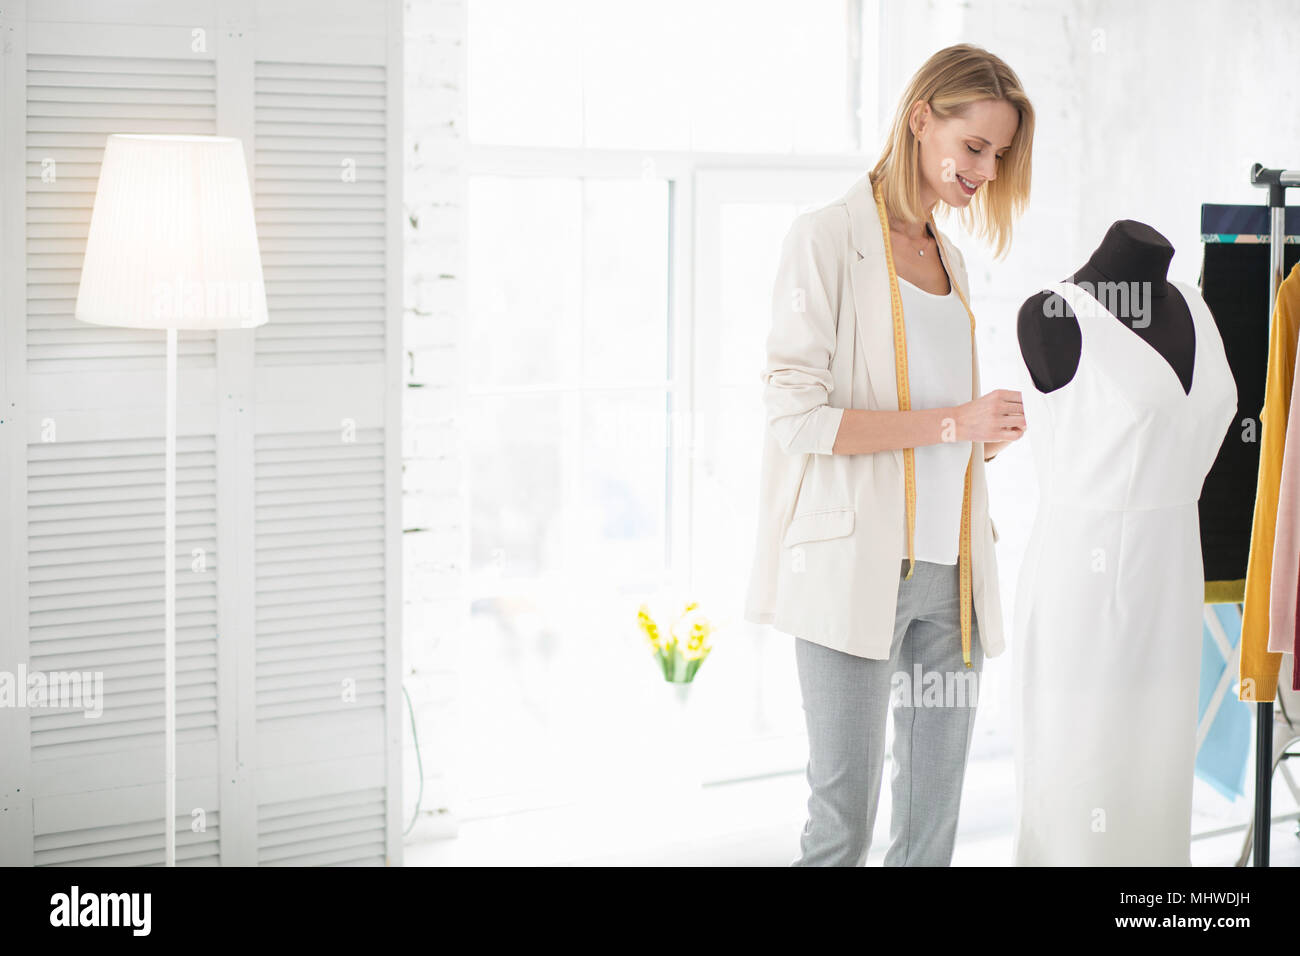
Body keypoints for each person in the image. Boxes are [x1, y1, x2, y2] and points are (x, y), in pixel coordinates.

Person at [743, 43, 1033, 866]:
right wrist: (954, 422)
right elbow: (796, 416)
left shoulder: (953, 260)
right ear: (920, 119)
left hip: (954, 575)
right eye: (974, 146)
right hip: (852, 563)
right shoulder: (826, 239)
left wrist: (984, 438)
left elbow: (936, 433)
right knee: (843, 826)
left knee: (929, 828)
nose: (985, 170)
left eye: (999, 155)